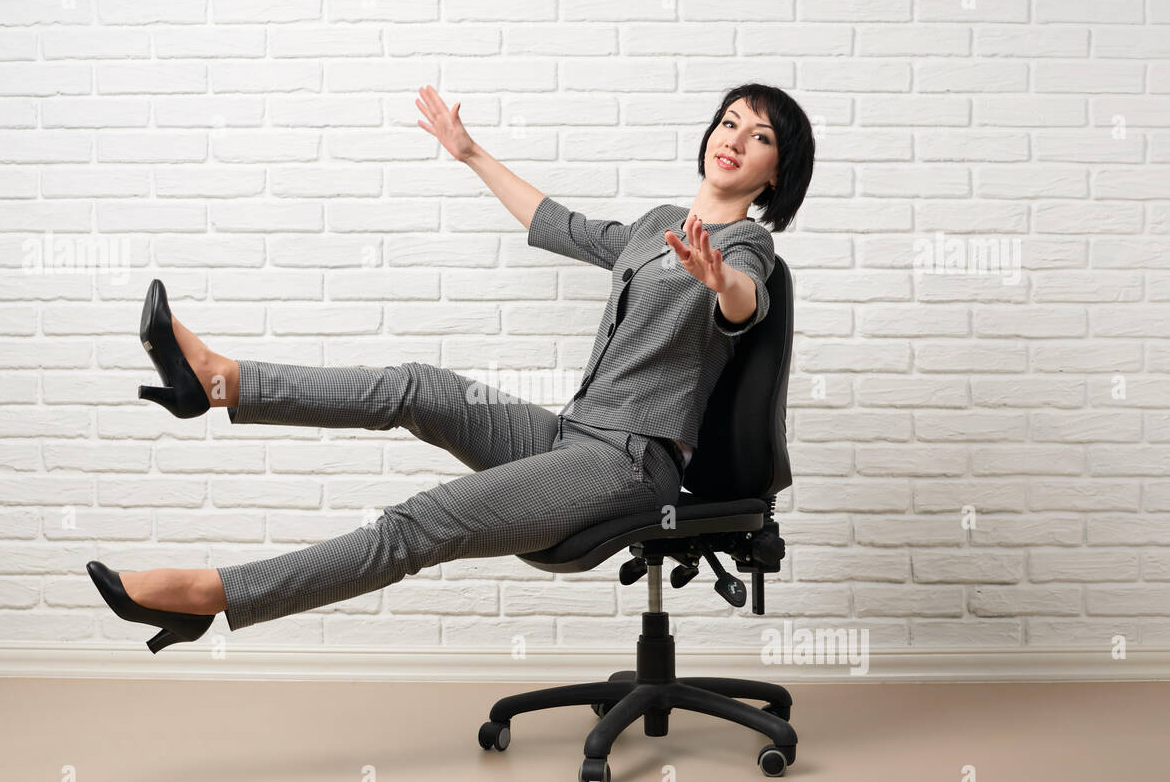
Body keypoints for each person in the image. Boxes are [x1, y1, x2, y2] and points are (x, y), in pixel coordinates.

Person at [87, 83, 815, 653]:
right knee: (418, 386)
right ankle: (214, 379)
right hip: (573, 434)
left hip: (631, 464)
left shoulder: (748, 246)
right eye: (729, 122)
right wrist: (468, 150)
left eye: (760, 137)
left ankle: (214, 593)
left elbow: (745, 303)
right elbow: (554, 221)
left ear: (774, 175)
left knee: (419, 522)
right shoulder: (656, 226)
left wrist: (718, 280)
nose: (736, 139)